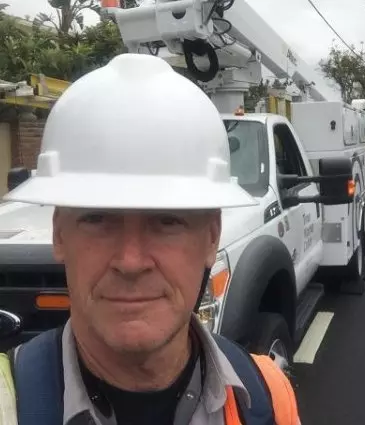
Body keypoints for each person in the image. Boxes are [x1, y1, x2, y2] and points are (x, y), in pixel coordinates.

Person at [0, 53, 301, 425]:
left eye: (166, 221)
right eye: (97, 219)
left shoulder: (268, 396)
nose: (130, 261)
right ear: (59, 233)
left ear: (212, 237)